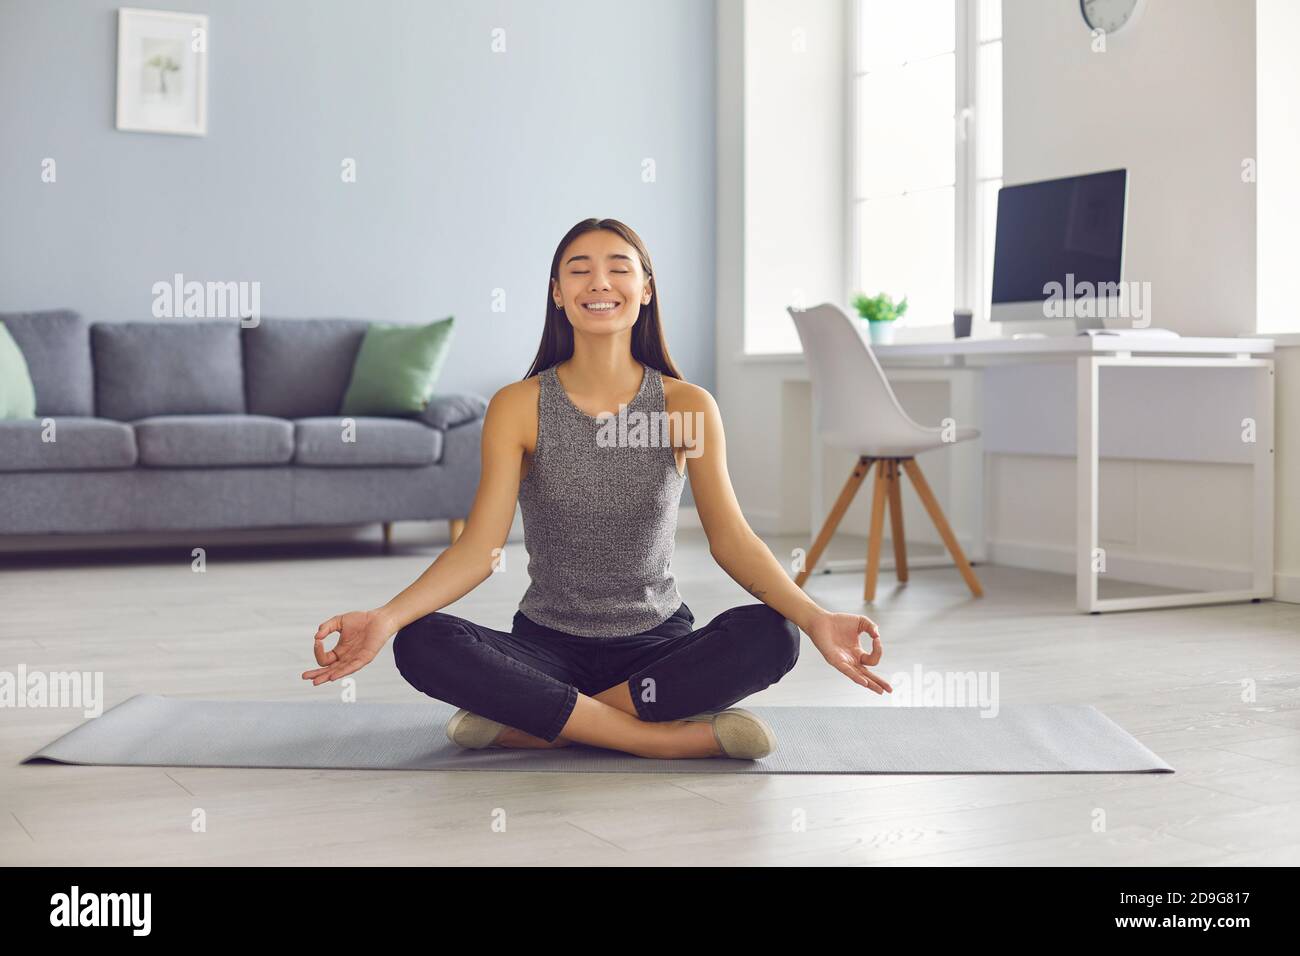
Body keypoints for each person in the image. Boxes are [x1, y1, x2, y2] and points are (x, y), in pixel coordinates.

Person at [302, 217, 892, 759]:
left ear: (646, 289)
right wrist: (385, 616)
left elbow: (732, 539)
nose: (599, 282)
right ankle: (658, 740)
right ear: (557, 293)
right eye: (578, 270)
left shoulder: (687, 407)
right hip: (545, 650)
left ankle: (536, 723)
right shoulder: (519, 406)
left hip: (655, 650)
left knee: (772, 634)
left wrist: (816, 618)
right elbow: (479, 550)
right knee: (422, 640)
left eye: (618, 268)